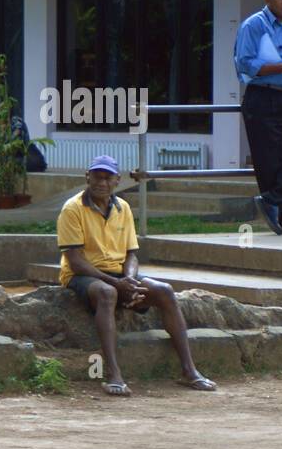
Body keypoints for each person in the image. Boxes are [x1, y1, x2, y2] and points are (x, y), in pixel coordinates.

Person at [58, 155, 215, 397]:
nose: (101, 182)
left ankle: (189, 371)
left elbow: (132, 254)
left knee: (164, 291)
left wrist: (129, 280)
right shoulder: (73, 208)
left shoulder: (124, 208)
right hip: (84, 275)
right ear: (87, 178)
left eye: (107, 177)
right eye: (97, 177)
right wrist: (117, 283)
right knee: (107, 293)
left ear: (117, 181)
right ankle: (114, 374)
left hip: (119, 274)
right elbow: (76, 261)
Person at [234, 0, 282, 235]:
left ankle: (271, 200)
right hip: (263, 96)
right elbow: (245, 64)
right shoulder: (254, 25)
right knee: (272, 161)